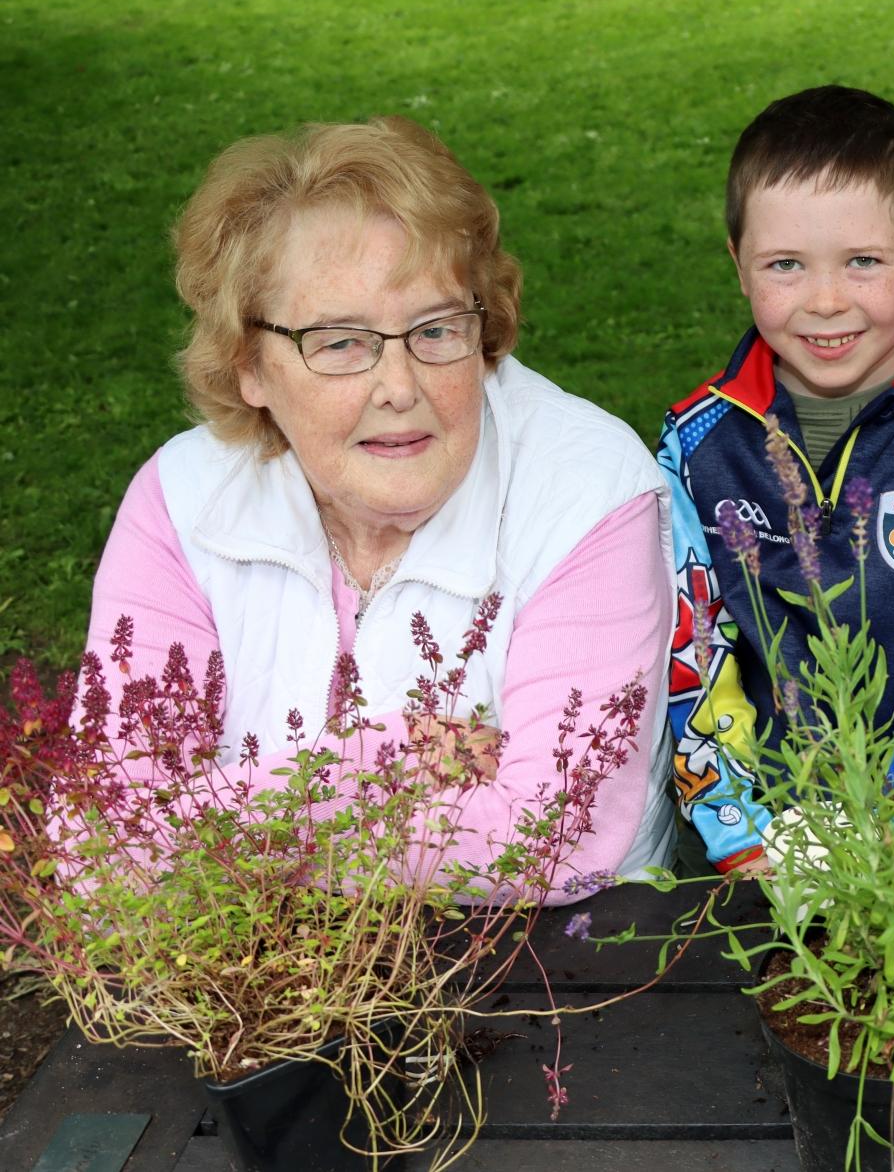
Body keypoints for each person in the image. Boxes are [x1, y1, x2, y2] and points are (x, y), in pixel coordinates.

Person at [83, 116, 677, 895]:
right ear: (249, 367)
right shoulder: (183, 501)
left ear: (484, 328)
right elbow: (104, 840)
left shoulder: (586, 490)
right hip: (245, 992)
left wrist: (212, 825)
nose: (399, 387)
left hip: (555, 986)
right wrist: (383, 757)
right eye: (339, 342)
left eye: (434, 330)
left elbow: (554, 844)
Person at [657, 85, 894, 873]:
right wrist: (741, 834)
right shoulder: (698, 443)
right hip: (757, 834)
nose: (826, 302)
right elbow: (692, 650)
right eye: (786, 265)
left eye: (863, 262)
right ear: (738, 264)